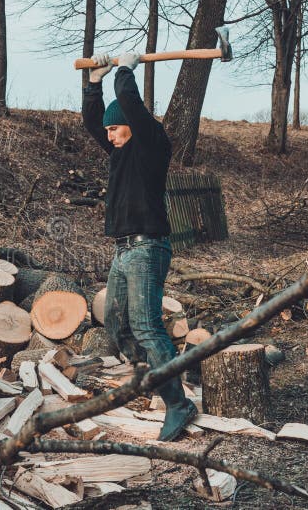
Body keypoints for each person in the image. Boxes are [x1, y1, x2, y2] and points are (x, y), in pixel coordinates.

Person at [82, 52, 197, 441]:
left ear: (132, 125)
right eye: (109, 130)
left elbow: (131, 103)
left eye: (115, 129)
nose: (109, 136)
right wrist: (95, 81)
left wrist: (126, 69)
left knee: (147, 325)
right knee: (116, 323)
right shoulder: (119, 152)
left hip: (148, 246)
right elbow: (90, 121)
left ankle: (178, 404)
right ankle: (153, 376)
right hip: (123, 249)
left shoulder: (152, 145)